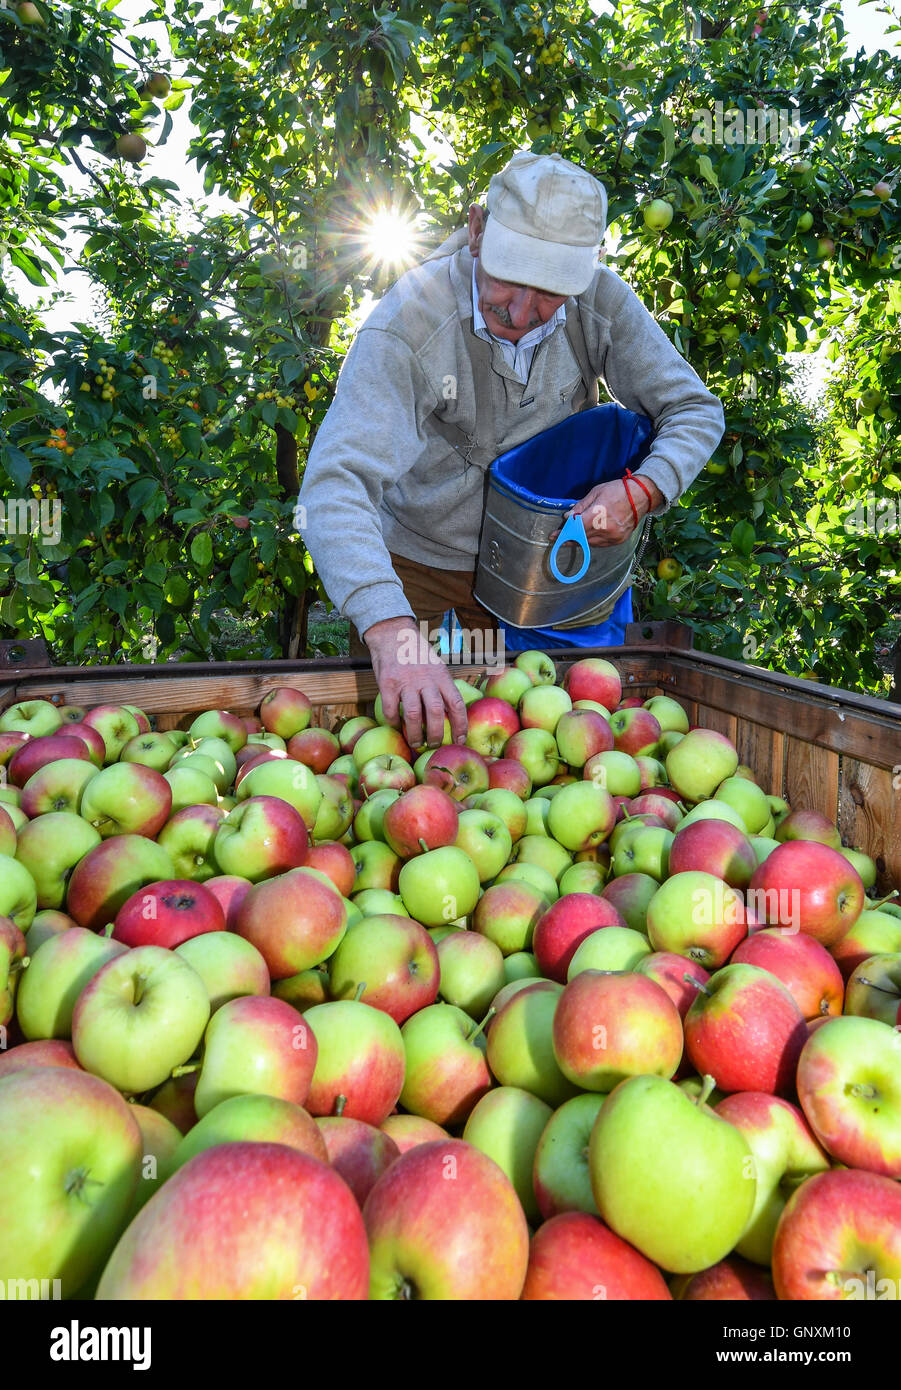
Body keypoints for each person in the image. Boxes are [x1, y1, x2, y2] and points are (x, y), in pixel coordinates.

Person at [298, 151, 724, 747]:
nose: (521, 314)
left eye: (550, 293)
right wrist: (392, 630)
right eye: (508, 279)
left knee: (565, 753)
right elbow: (336, 487)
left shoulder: (598, 304)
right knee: (419, 754)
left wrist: (642, 489)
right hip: (428, 574)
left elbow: (694, 409)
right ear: (476, 229)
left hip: (551, 569)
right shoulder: (408, 325)